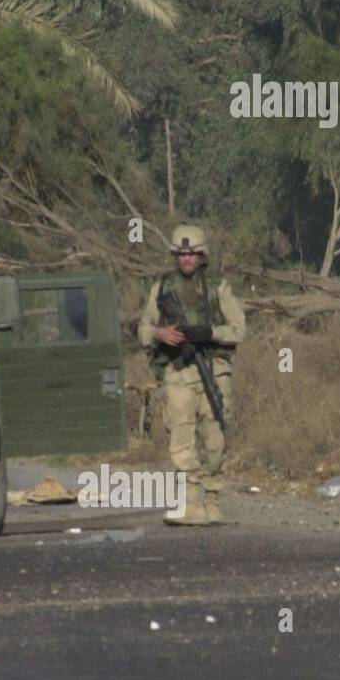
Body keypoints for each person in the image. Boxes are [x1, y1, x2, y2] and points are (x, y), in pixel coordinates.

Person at [137, 225, 245, 526]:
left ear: (202, 255)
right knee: (182, 440)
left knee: (215, 440)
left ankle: (212, 501)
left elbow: (239, 329)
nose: (187, 259)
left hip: (213, 369)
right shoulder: (161, 288)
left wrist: (209, 332)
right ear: (175, 256)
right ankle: (192, 503)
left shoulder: (218, 286)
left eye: (192, 254)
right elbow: (143, 330)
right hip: (178, 372)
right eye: (182, 254)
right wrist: (160, 333)